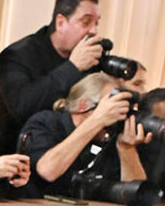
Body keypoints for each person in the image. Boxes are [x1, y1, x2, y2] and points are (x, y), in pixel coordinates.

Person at [0, 0, 113, 159]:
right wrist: (72, 67)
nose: (93, 31)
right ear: (61, 22)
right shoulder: (16, 55)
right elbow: (24, 107)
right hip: (8, 158)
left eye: (96, 23)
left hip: (62, 159)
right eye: (86, 22)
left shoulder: (90, 62)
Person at [18, 73, 150, 198]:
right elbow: (48, 171)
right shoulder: (47, 122)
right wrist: (97, 120)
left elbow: (137, 195)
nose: (115, 115)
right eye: (110, 106)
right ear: (83, 105)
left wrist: (127, 149)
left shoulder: (111, 139)